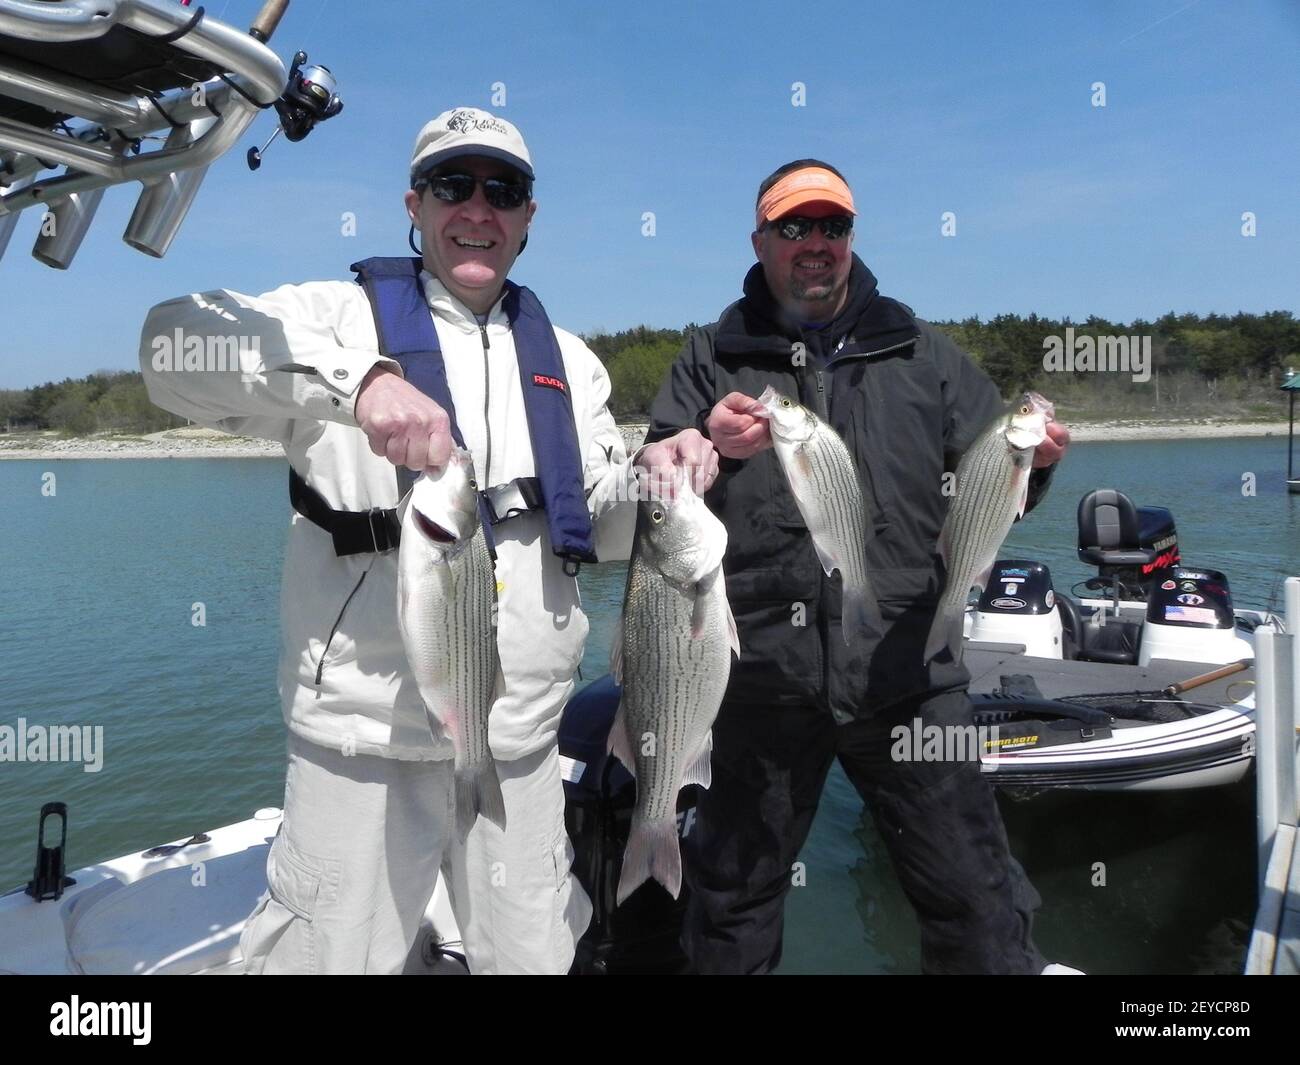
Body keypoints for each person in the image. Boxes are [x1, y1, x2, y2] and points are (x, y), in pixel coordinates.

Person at [138, 107, 714, 974]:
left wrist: (657, 477)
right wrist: (358, 383)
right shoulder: (334, 315)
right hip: (361, 746)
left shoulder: (570, 359)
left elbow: (596, 521)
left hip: (520, 744)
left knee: (534, 957)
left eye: (504, 190)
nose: (478, 208)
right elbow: (167, 350)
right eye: (454, 185)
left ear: (529, 217)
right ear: (414, 203)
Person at [644, 159, 1073, 974]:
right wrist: (703, 443)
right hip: (760, 680)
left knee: (978, 902)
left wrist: (1037, 461)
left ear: (851, 238)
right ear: (760, 239)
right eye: (794, 227)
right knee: (731, 909)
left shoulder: (926, 354)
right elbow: (659, 481)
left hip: (908, 671)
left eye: (832, 226)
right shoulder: (711, 354)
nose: (815, 244)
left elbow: (997, 473)